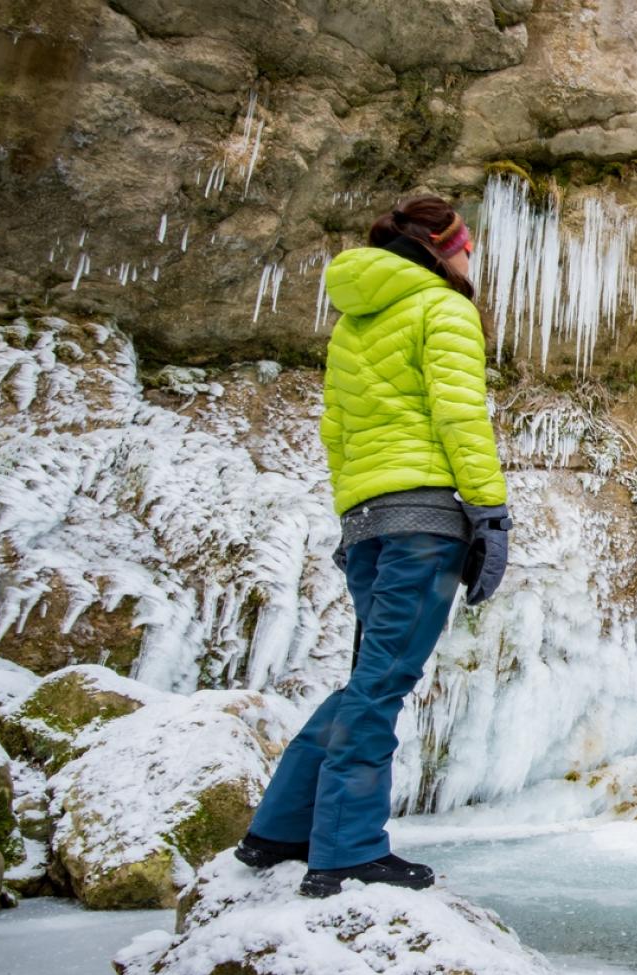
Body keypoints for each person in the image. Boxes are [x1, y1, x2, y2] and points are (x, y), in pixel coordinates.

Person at [234, 194, 511, 898]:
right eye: (467, 250)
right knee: (384, 683)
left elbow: (336, 431)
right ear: (443, 249)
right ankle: (348, 849)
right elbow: (458, 416)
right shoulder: (443, 310)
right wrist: (489, 514)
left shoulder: (357, 320)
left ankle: (278, 831)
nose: (470, 262)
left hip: (367, 518)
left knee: (369, 677)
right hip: (422, 523)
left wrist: (357, 511)